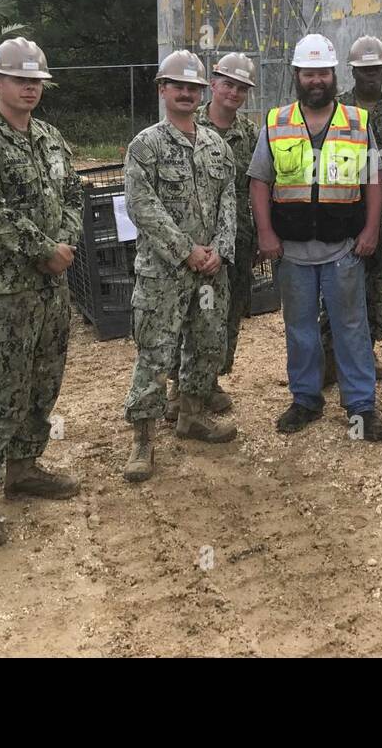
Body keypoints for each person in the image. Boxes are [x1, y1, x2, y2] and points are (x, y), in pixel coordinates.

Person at [0, 36, 83, 549]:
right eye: (21, 80)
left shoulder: (50, 138)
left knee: (44, 380)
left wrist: (66, 240)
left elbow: (74, 191)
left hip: (52, 289)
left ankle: (24, 467)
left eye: (37, 81)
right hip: (3, 294)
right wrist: (43, 249)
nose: (30, 88)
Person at [249, 33, 382, 441]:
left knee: (351, 327)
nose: (316, 80)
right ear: (297, 75)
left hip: (342, 248)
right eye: (308, 73)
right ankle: (306, 400)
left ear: (333, 75)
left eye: (323, 73)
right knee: (300, 328)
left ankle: (361, 406)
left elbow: (376, 178)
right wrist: (265, 233)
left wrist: (371, 228)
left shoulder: (357, 123)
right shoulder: (276, 123)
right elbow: (259, 181)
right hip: (291, 251)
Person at [122, 51, 238, 483]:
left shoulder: (216, 146)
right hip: (164, 272)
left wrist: (220, 250)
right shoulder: (146, 145)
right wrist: (185, 249)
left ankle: (191, 414)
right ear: (162, 90)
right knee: (155, 352)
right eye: (179, 86)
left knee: (207, 344)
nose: (187, 93)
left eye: (194, 88)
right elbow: (142, 207)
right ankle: (143, 439)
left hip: (210, 271)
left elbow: (229, 199)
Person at [164, 51, 259, 423]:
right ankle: (179, 385)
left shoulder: (249, 134)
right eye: (228, 85)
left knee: (227, 312)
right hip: (192, 241)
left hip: (236, 240)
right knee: (189, 312)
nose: (233, 93)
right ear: (214, 85)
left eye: (241, 88)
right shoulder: (187, 125)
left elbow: (256, 186)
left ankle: (210, 380)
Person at [320, 36, 382, 381]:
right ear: (353, 71)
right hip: (341, 212)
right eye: (364, 69)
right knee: (336, 285)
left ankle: (366, 349)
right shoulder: (336, 110)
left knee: (375, 286)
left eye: (376, 69)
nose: (370, 75)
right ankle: (330, 353)